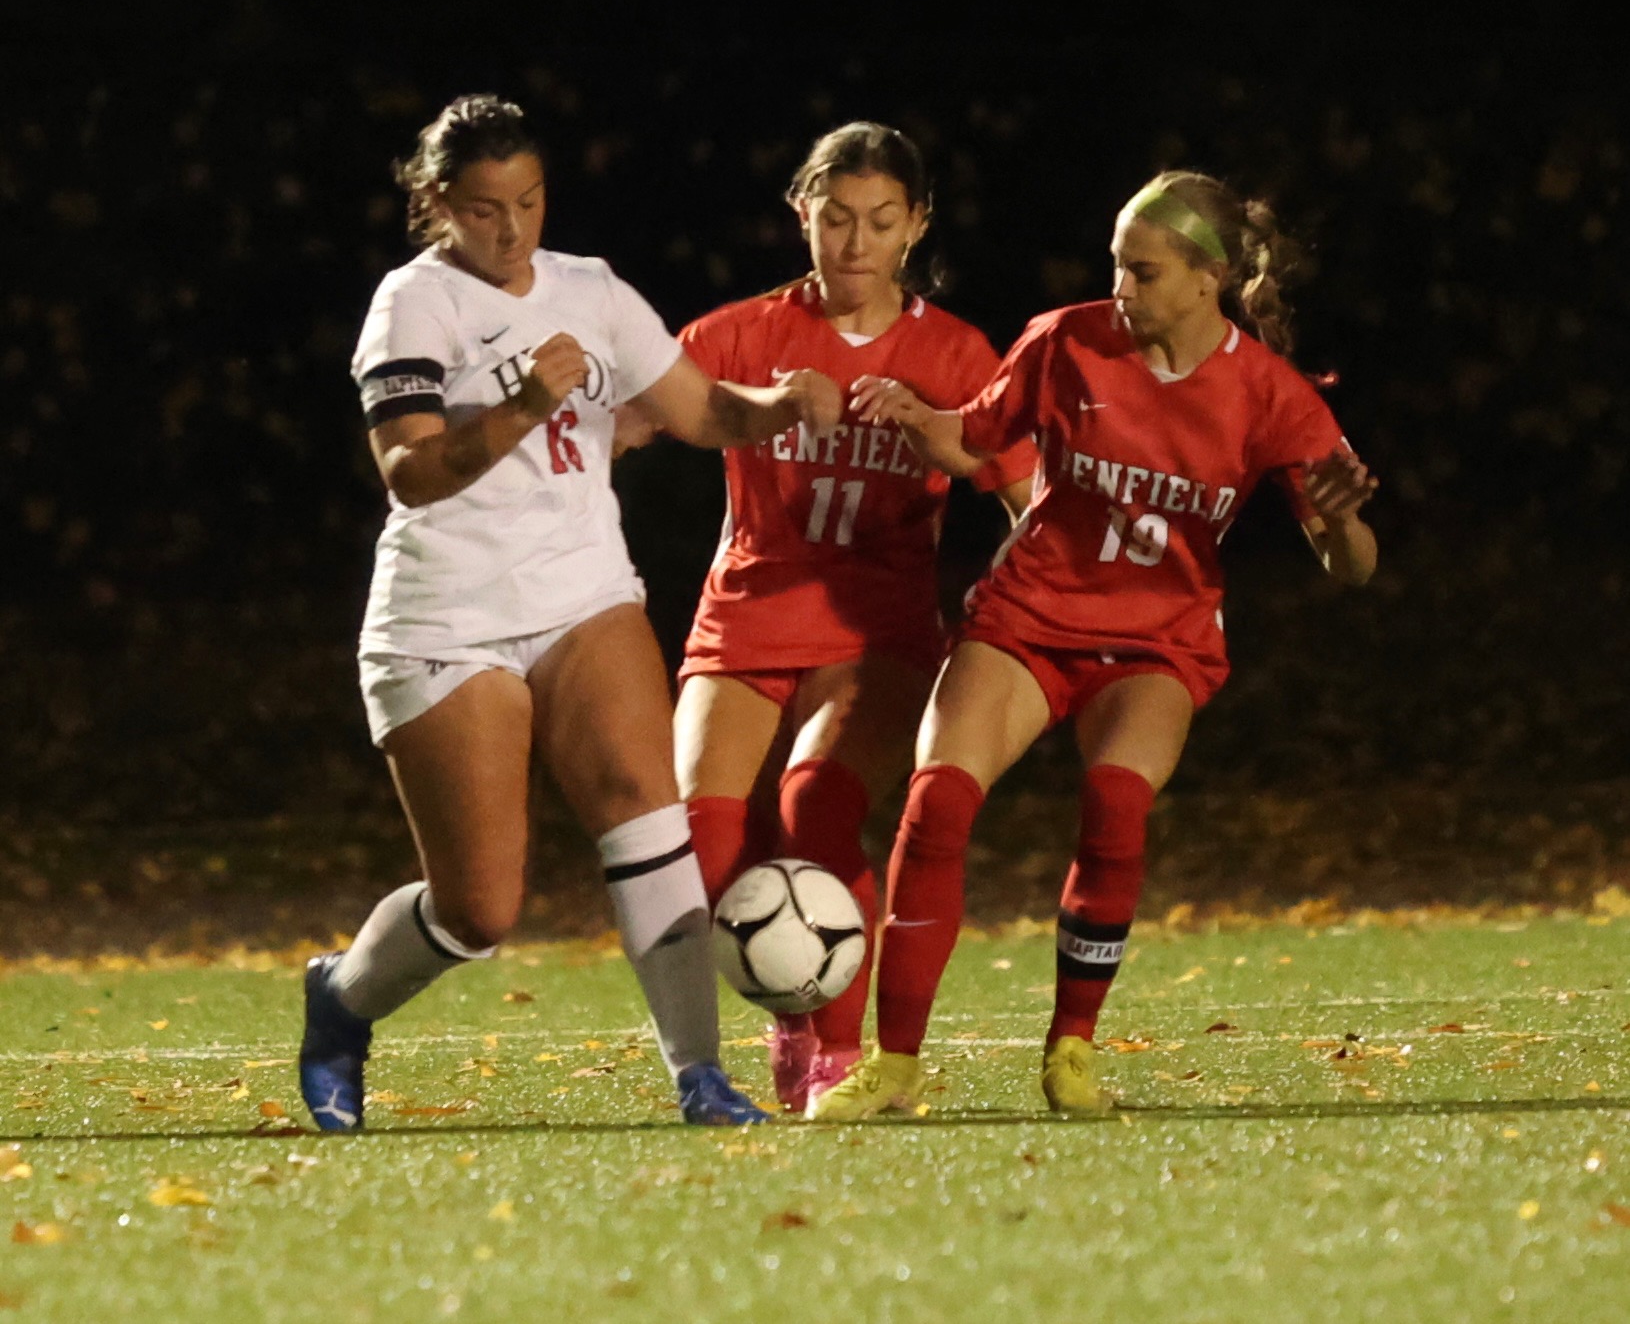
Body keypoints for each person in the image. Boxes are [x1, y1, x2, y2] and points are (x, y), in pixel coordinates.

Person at [299, 94, 842, 1131]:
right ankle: (340, 1000)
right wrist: (517, 409)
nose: (512, 230)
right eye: (484, 209)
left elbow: (702, 409)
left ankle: (699, 1074)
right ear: (435, 204)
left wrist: (778, 406)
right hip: (444, 618)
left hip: (580, 593)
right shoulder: (411, 306)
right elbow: (410, 472)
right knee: (479, 908)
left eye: (530, 202)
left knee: (648, 810)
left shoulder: (589, 290)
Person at [810, 169, 1379, 1119]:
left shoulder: (1270, 394)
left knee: (1116, 803)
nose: (1122, 287)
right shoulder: (1065, 338)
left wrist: (1340, 524)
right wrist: (922, 422)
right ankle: (895, 1064)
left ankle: (1070, 1049)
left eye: (1144, 272)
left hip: (1157, 644)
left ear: (1210, 280)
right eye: (1117, 264)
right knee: (938, 800)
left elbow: (1350, 564)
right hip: (1029, 616)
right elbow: (980, 439)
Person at [627, 122, 1034, 1112]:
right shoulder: (739, 333)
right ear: (800, 213)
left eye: (881, 221)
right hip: (747, 615)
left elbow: (1025, 491)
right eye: (837, 218)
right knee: (705, 839)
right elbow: (631, 422)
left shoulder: (953, 351)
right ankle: (785, 996)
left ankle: (835, 1056)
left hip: (876, 631)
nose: (856, 241)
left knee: (816, 809)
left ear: (915, 227)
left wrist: (947, 446)